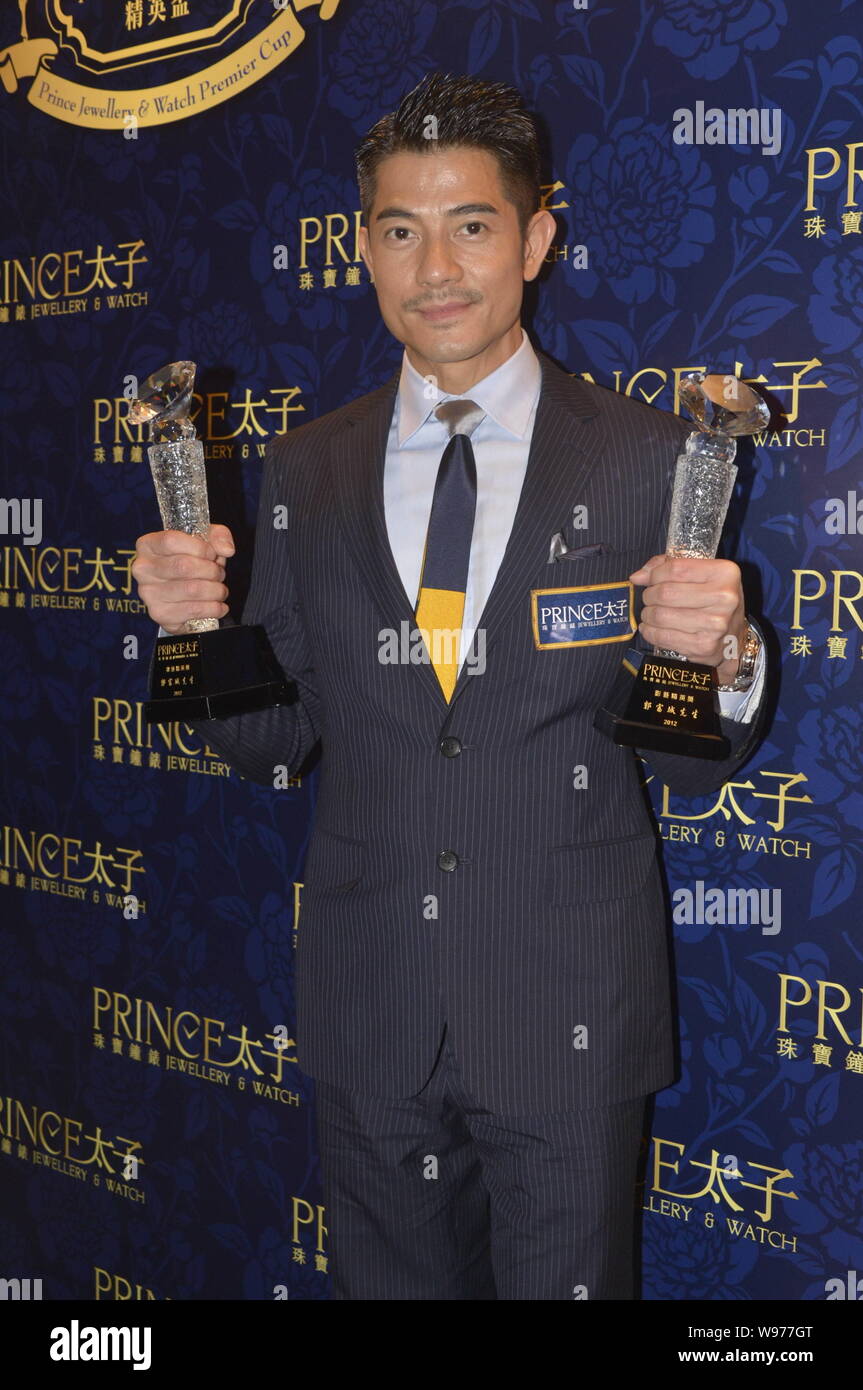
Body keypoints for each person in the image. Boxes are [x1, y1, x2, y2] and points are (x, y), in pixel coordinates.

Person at [132, 71, 769, 1301]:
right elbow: (273, 742)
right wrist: (188, 635)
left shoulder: (647, 458)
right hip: (371, 1013)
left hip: (564, 1011)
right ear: (362, 247)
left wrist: (720, 655)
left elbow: (693, 759)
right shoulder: (304, 468)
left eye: (471, 224)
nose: (435, 266)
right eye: (399, 229)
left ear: (534, 238)